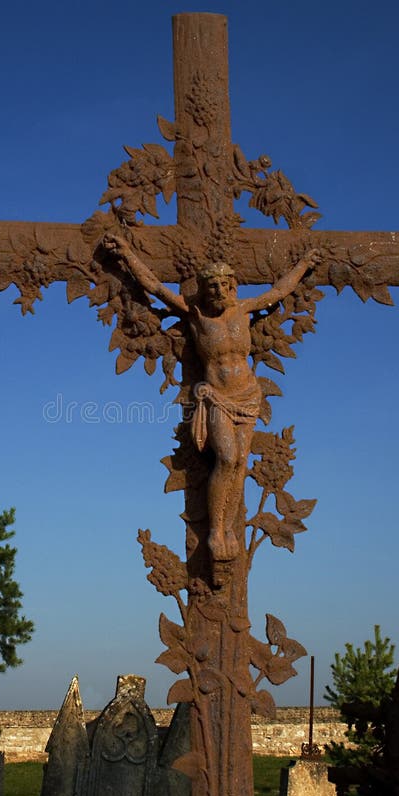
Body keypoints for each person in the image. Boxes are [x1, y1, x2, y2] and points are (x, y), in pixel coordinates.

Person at [102, 233, 321, 578]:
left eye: (224, 285)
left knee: (239, 465)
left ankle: (229, 529)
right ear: (204, 290)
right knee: (227, 457)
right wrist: (128, 254)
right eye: (212, 286)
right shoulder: (195, 315)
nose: (219, 291)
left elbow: (279, 291)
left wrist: (305, 265)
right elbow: (157, 288)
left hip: (247, 395)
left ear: (233, 285)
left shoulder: (245, 310)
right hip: (216, 397)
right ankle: (217, 530)